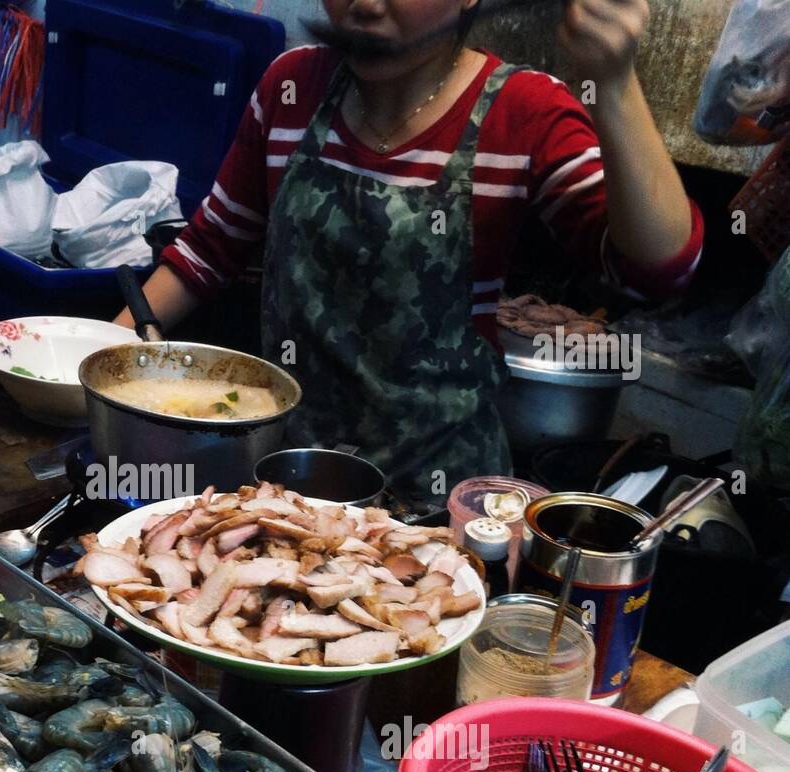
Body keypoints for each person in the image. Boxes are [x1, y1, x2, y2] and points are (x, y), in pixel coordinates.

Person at [119, 0, 702, 504]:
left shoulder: (524, 112)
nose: (365, 6)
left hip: (439, 504)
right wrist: (101, 364)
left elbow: (657, 272)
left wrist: (617, 83)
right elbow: (207, 251)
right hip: (284, 479)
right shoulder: (292, 87)